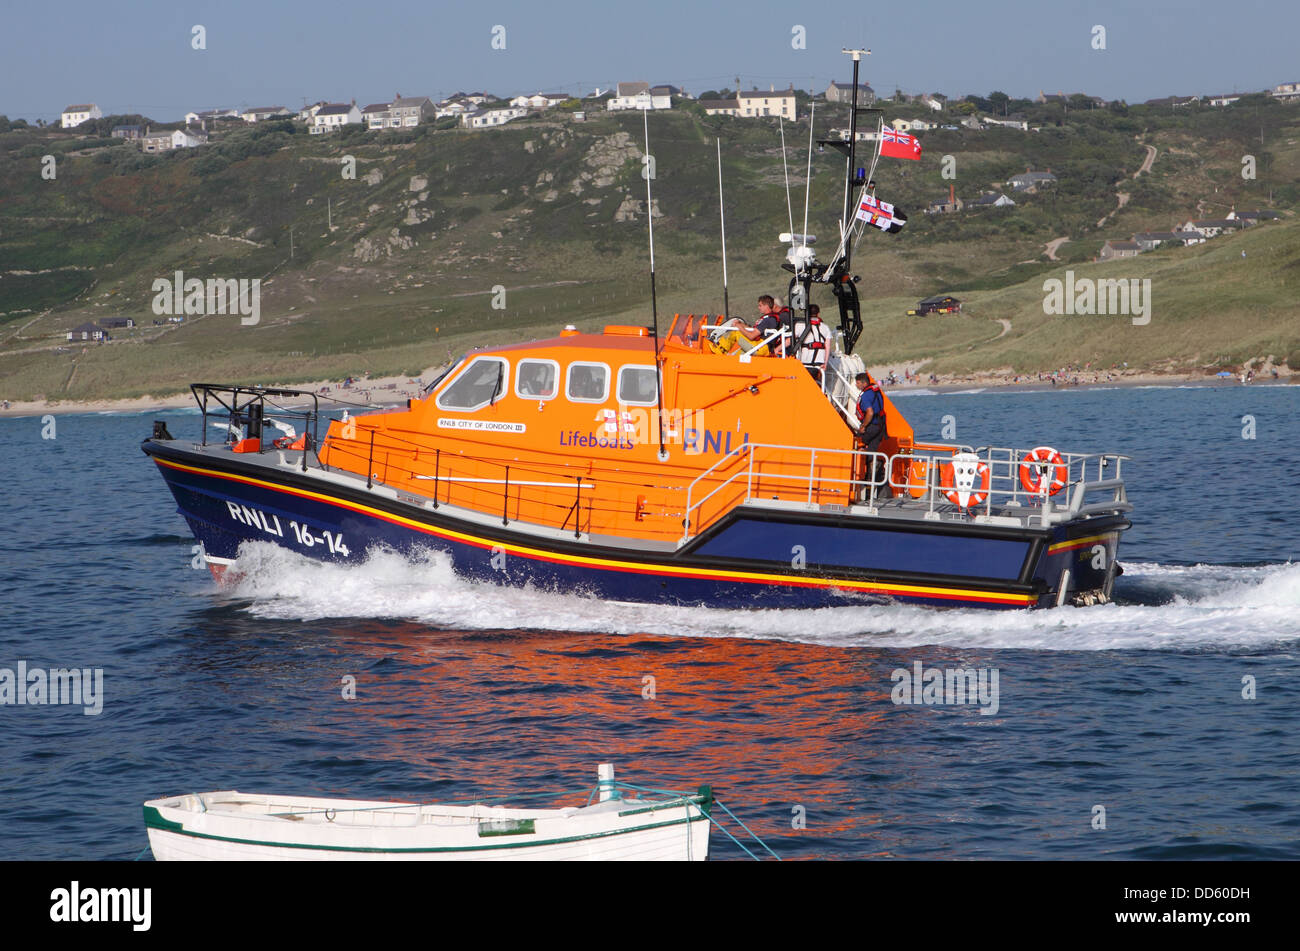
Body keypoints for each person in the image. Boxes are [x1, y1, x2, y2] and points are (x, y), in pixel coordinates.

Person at [854, 372, 887, 495]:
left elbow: (870, 412)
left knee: (858, 445)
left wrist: (863, 426)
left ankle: (861, 481)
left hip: (871, 426)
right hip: (880, 427)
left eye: (858, 383)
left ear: (864, 383)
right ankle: (870, 484)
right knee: (872, 453)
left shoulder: (867, 395)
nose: (857, 386)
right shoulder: (875, 391)